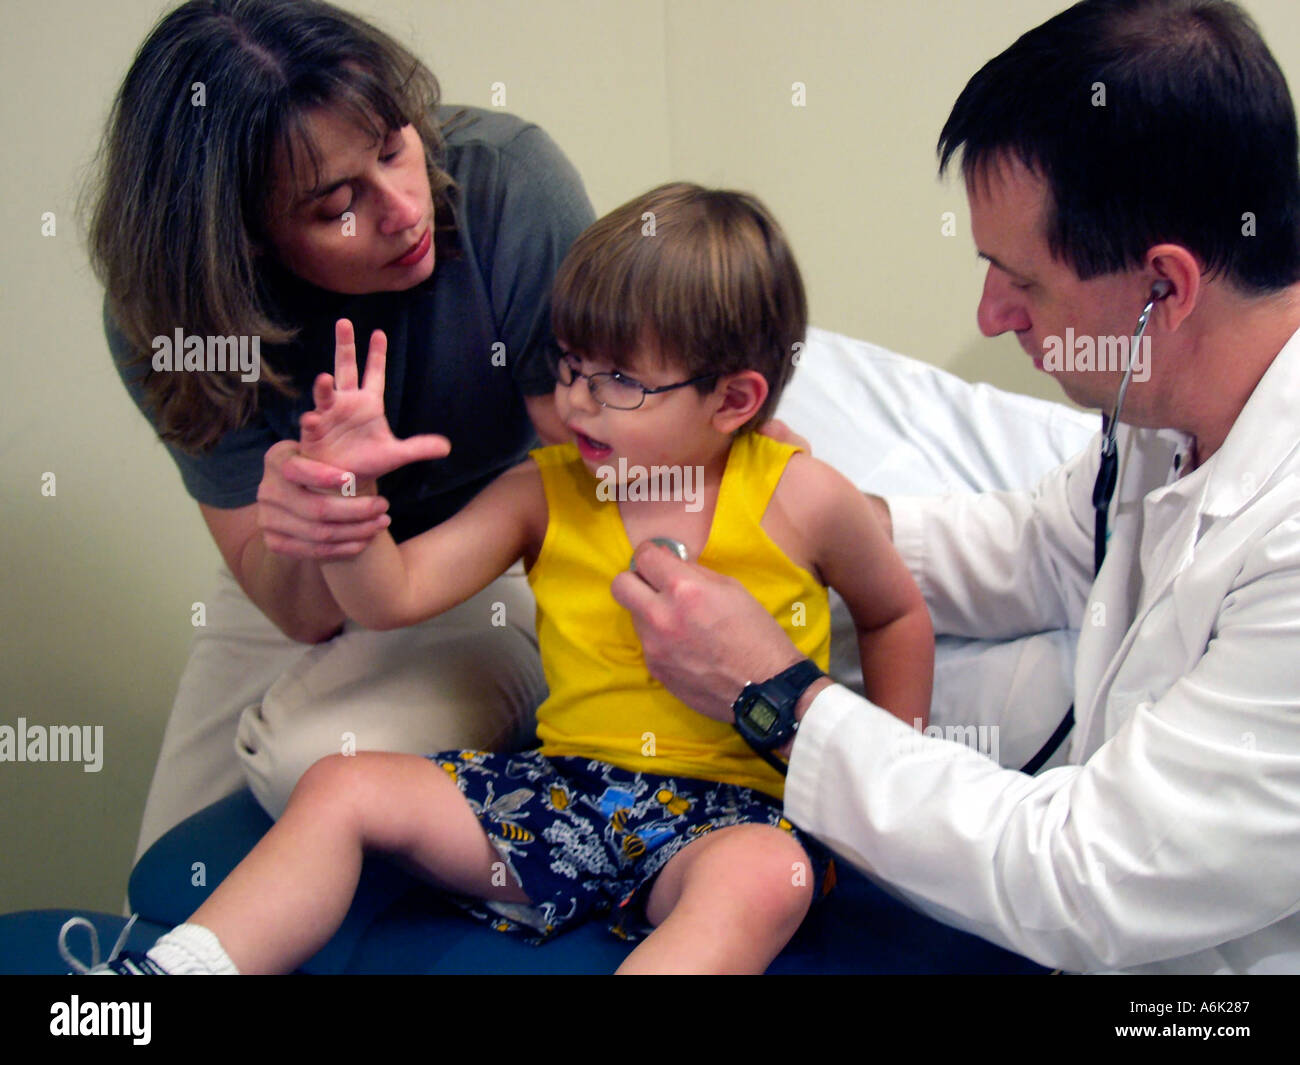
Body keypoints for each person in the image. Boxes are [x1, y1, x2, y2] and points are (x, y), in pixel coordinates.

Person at [87, 183, 933, 975]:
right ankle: (177, 972)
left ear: (734, 399)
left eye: (620, 383)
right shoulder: (544, 490)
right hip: (564, 796)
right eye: (568, 367)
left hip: (734, 816)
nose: (577, 403)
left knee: (764, 876)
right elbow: (395, 596)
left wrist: (880, 778)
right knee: (341, 782)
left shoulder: (803, 497)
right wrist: (350, 505)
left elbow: (894, 614)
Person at [613, 0, 1300, 974]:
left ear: (1165, 289)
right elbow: (1039, 548)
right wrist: (811, 514)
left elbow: (1081, 876)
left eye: (1021, 280)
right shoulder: (1170, 418)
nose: (990, 315)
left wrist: (778, 697)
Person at [86, 0, 594, 857]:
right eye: (336, 205)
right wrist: (324, 509)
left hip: (496, 558)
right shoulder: (170, 316)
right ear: (240, 242)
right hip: (303, 567)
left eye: (396, 145)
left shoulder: (510, 185)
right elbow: (299, 614)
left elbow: (591, 480)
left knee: (301, 765)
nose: (403, 209)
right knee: (171, 868)